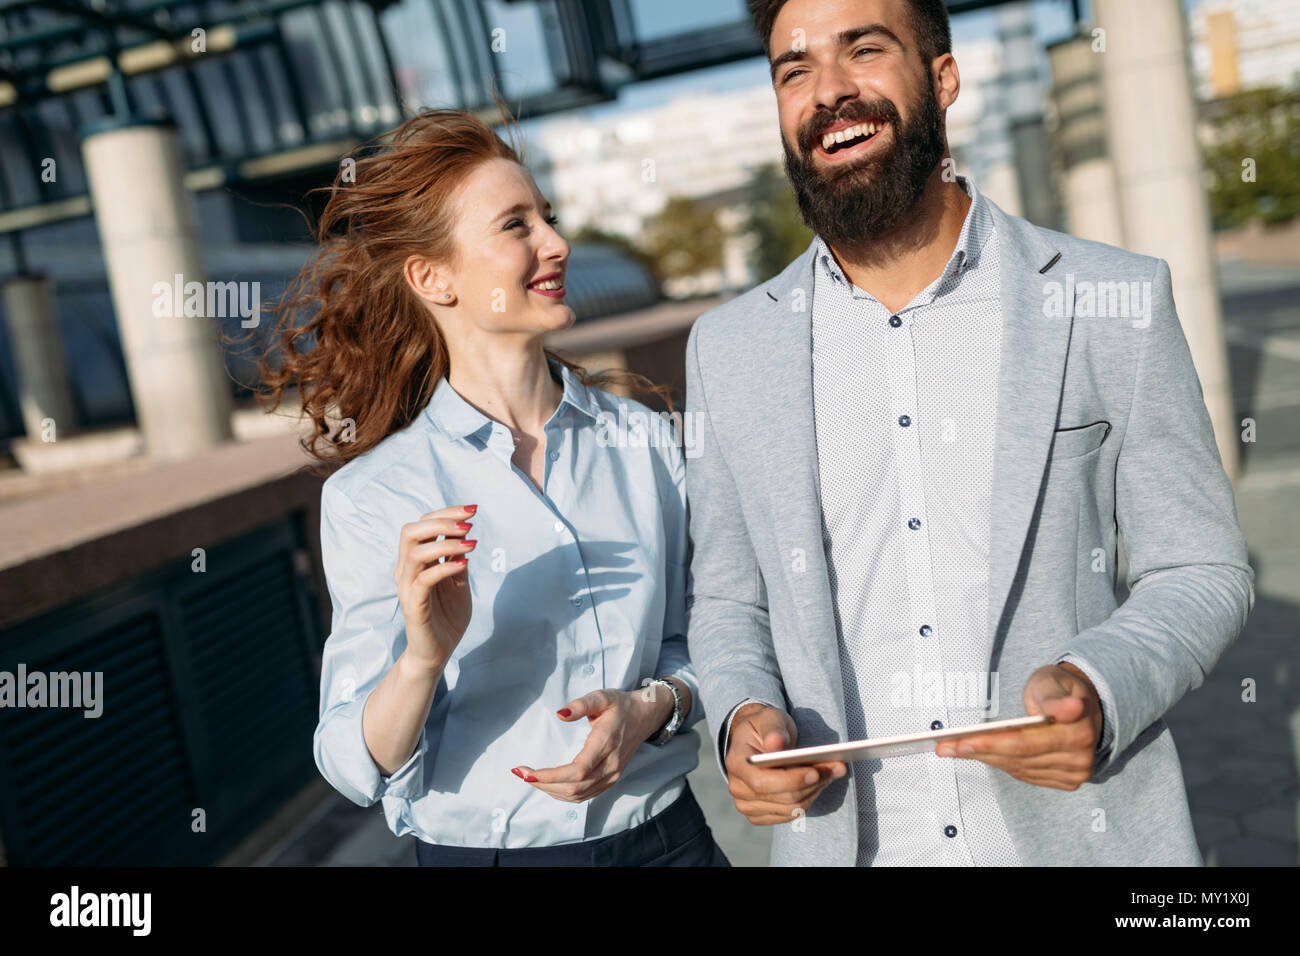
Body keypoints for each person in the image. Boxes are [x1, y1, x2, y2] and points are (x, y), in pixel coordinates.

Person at [684, 0, 1254, 865]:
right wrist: (740, 714)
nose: (829, 91)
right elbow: (728, 600)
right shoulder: (728, 349)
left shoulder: (1109, 300)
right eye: (794, 69)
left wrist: (1103, 688)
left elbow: (1201, 566)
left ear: (943, 77)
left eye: (864, 50)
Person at [256, 106, 728, 866]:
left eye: (546, 216)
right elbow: (351, 764)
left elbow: (711, 637)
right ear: (432, 277)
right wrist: (421, 657)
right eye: (516, 226)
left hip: (668, 843)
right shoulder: (374, 496)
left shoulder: (640, 441)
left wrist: (655, 706)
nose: (556, 242)